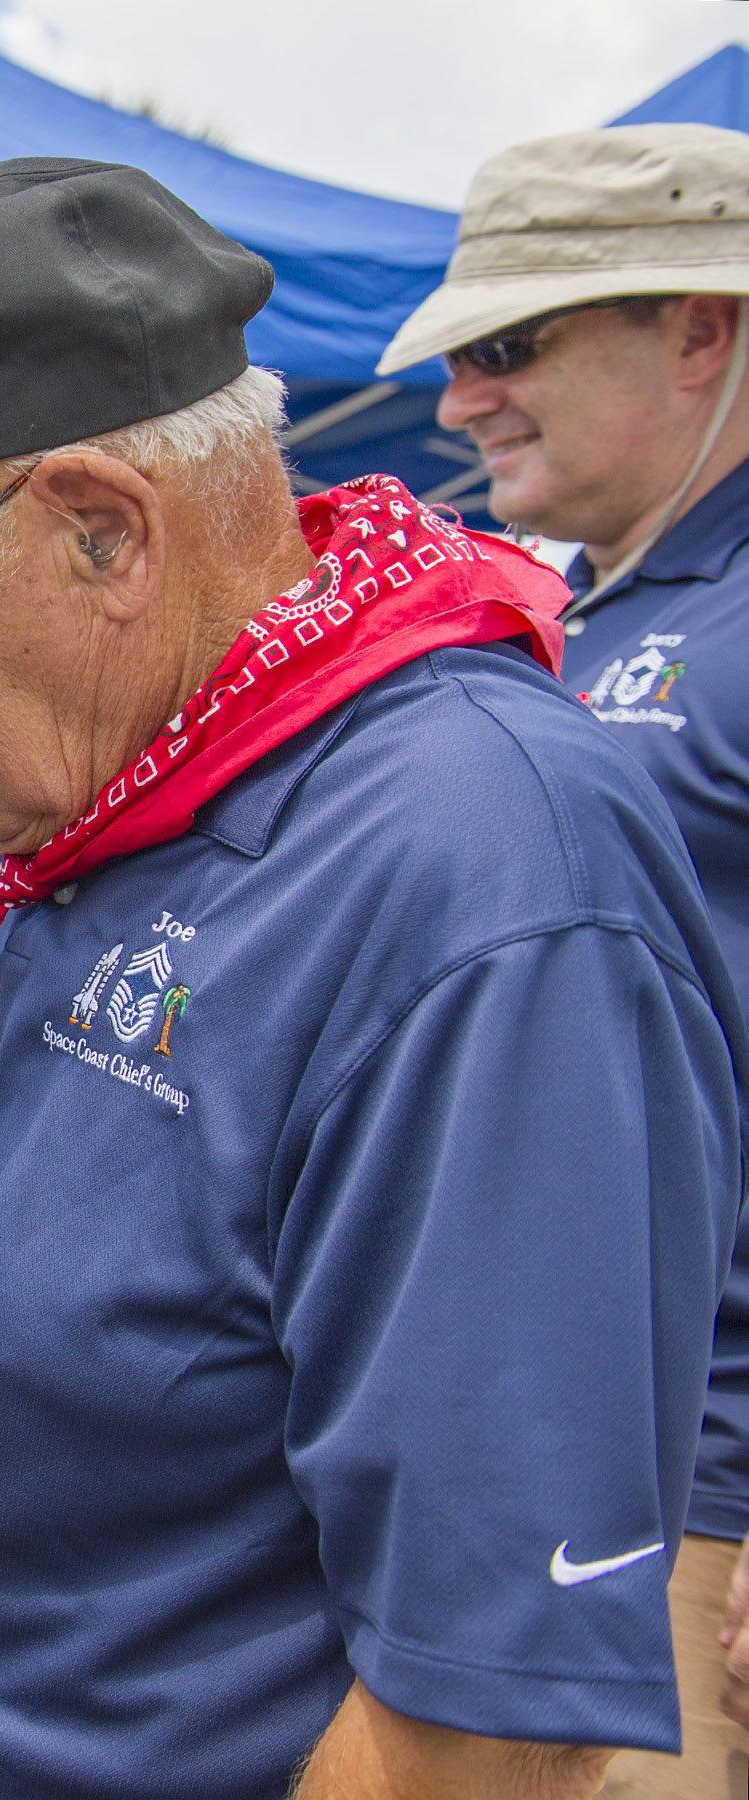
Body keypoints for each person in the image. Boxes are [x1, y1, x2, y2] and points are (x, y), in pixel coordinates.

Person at [0, 159, 748, 1799]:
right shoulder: (188, 734)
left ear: (102, 532)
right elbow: (88, 1016)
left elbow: (489, 1722)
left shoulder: (487, 879)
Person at [376, 123, 749, 1796]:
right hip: (562, 1449)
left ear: (702, 326)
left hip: (702, 1494)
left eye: (508, 345)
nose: (464, 399)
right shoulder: (607, 601)